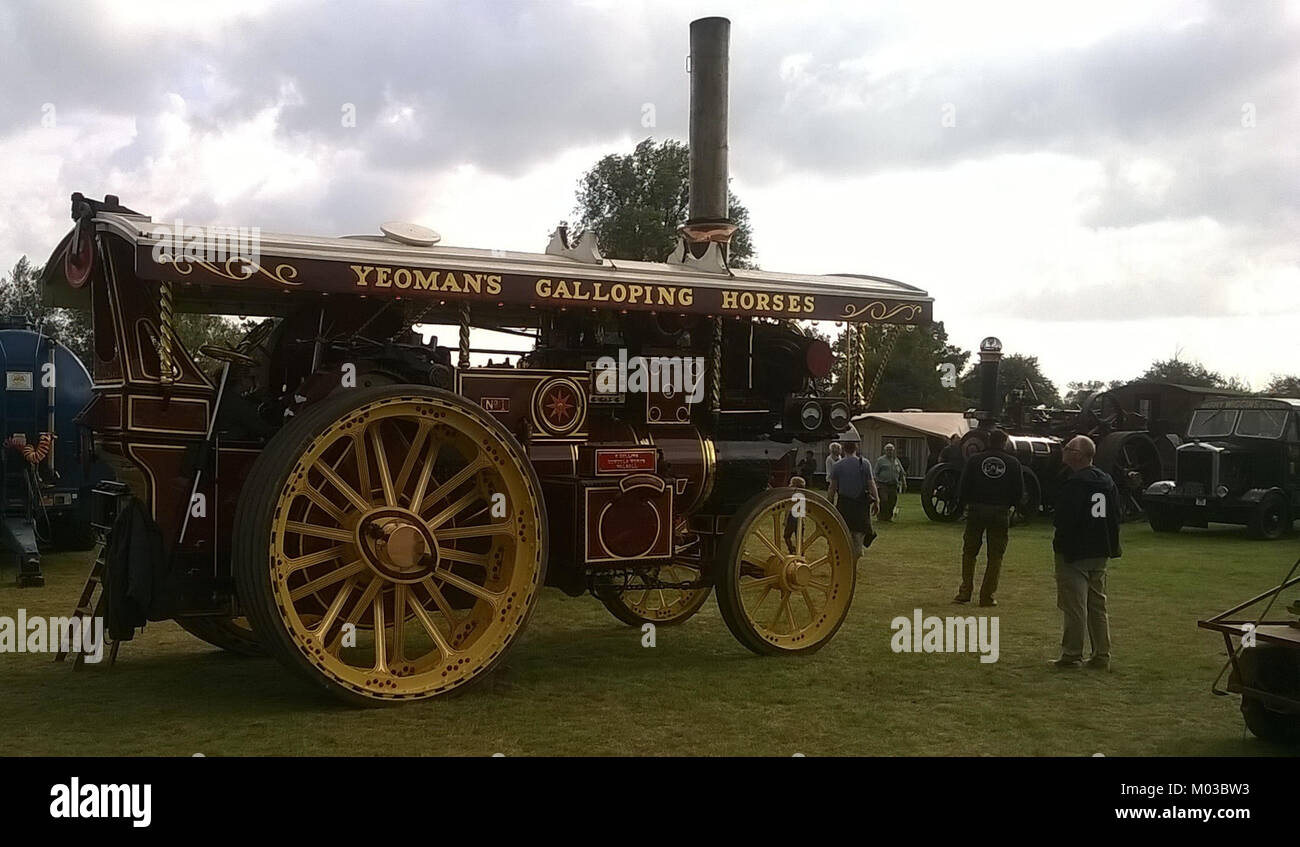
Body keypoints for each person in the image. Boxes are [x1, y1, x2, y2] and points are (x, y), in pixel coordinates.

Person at [1052, 435, 1121, 670]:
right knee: (1097, 605)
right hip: (1100, 549)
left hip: (1075, 552)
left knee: (1074, 605)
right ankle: (1102, 654)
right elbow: (1115, 515)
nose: (1064, 450)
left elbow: (1064, 520)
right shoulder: (1107, 481)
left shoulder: (1075, 484)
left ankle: (1072, 654)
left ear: (1078, 455)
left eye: (1068, 447)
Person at [953, 429, 1022, 607]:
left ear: (988, 441)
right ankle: (987, 596)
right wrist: (1013, 507)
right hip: (1000, 511)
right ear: (1005, 442)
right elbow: (1019, 491)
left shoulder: (974, 460)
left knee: (969, 552)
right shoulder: (1013, 463)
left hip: (976, 509)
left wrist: (965, 505)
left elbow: (964, 485)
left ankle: (965, 591)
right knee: (995, 555)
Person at [827, 441, 879, 562]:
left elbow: (832, 488)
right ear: (856, 448)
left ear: (843, 449)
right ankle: (853, 562)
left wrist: (829, 503)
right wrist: (877, 501)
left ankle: (840, 559)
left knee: (842, 534)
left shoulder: (837, 465)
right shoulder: (865, 463)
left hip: (844, 504)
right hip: (860, 505)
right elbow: (871, 484)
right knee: (858, 536)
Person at [874, 443, 907, 522]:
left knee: (892, 501)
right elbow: (875, 473)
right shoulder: (880, 460)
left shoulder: (896, 460)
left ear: (893, 451)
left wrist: (904, 483)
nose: (890, 452)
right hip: (883, 484)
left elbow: (902, 473)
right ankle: (881, 517)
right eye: (888, 450)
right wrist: (876, 484)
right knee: (884, 500)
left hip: (893, 485)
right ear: (885, 451)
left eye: (891, 450)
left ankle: (889, 517)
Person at [784, 476, 806, 553]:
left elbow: (788, 509)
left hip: (792, 517)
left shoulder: (792, 496)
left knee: (786, 536)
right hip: (801, 519)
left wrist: (785, 520)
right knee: (799, 538)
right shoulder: (804, 496)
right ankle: (801, 552)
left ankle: (791, 549)